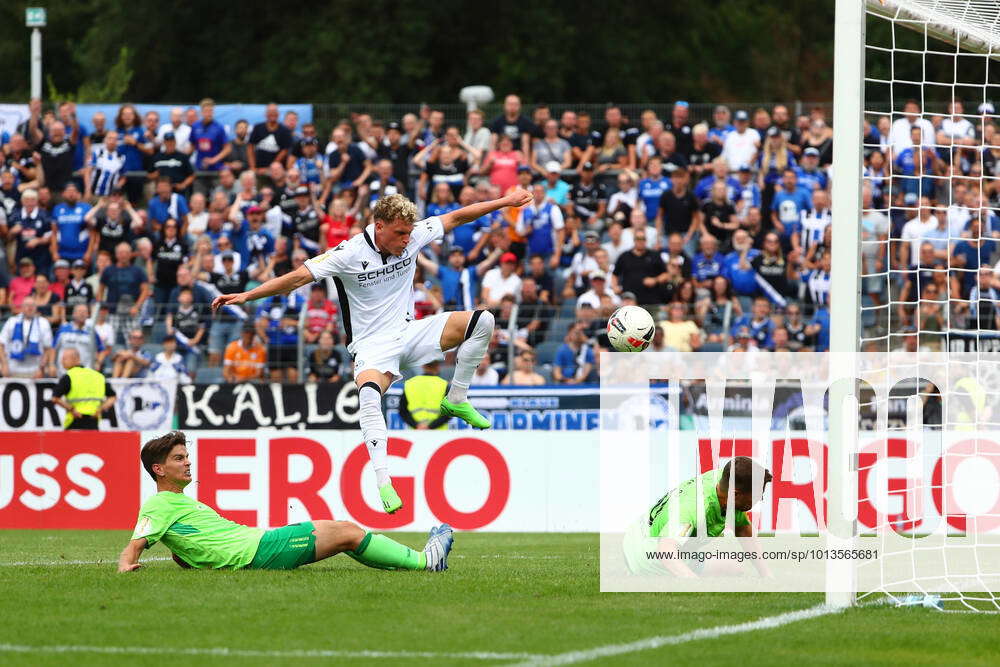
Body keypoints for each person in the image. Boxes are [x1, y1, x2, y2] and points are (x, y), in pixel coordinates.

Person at [211, 190, 532, 514]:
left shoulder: (414, 233)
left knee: (483, 320)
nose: (407, 240)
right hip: (370, 346)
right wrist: (247, 296)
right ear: (379, 226)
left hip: (408, 332)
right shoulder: (347, 253)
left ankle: (457, 398)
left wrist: (505, 202)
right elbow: (295, 279)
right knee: (368, 396)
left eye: (409, 233)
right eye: (399, 233)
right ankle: (383, 481)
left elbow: (458, 216)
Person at [117, 431, 454, 573]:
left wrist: (190, 558)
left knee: (346, 535)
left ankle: (410, 565)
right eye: (179, 459)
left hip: (257, 542)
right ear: (159, 470)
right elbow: (135, 545)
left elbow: (182, 550)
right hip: (256, 550)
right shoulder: (159, 504)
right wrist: (126, 565)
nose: (188, 462)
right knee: (346, 532)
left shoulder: (178, 504)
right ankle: (426, 563)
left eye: (187, 456)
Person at [622, 457, 773, 577]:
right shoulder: (696, 508)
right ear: (735, 494)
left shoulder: (725, 483)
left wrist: (767, 575)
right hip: (647, 554)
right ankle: (639, 573)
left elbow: (743, 529)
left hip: (639, 534)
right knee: (727, 571)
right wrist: (694, 583)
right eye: (756, 496)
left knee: (734, 568)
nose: (759, 500)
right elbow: (665, 549)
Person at [50, 348, 117, 430]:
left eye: (64, 358)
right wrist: (100, 410)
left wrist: (71, 409)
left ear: (75, 359)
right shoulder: (98, 376)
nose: (62, 362)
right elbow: (113, 397)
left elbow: (55, 398)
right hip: (93, 422)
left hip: (74, 420)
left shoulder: (69, 376)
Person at [0, 296, 54, 378]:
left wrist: (42, 368)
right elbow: (1, 344)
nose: (29, 308)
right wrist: (4, 364)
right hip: (12, 369)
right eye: (27, 305)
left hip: (35, 370)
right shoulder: (12, 321)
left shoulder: (43, 323)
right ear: (22, 307)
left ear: (36, 307)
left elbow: (48, 348)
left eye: (32, 305)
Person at [400, 361, 451, 430]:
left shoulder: (410, 383)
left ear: (423, 366)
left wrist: (417, 425)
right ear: (438, 367)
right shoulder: (444, 385)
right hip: (439, 434)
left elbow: (403, 411)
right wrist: (430, 427)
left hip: (415, 433)